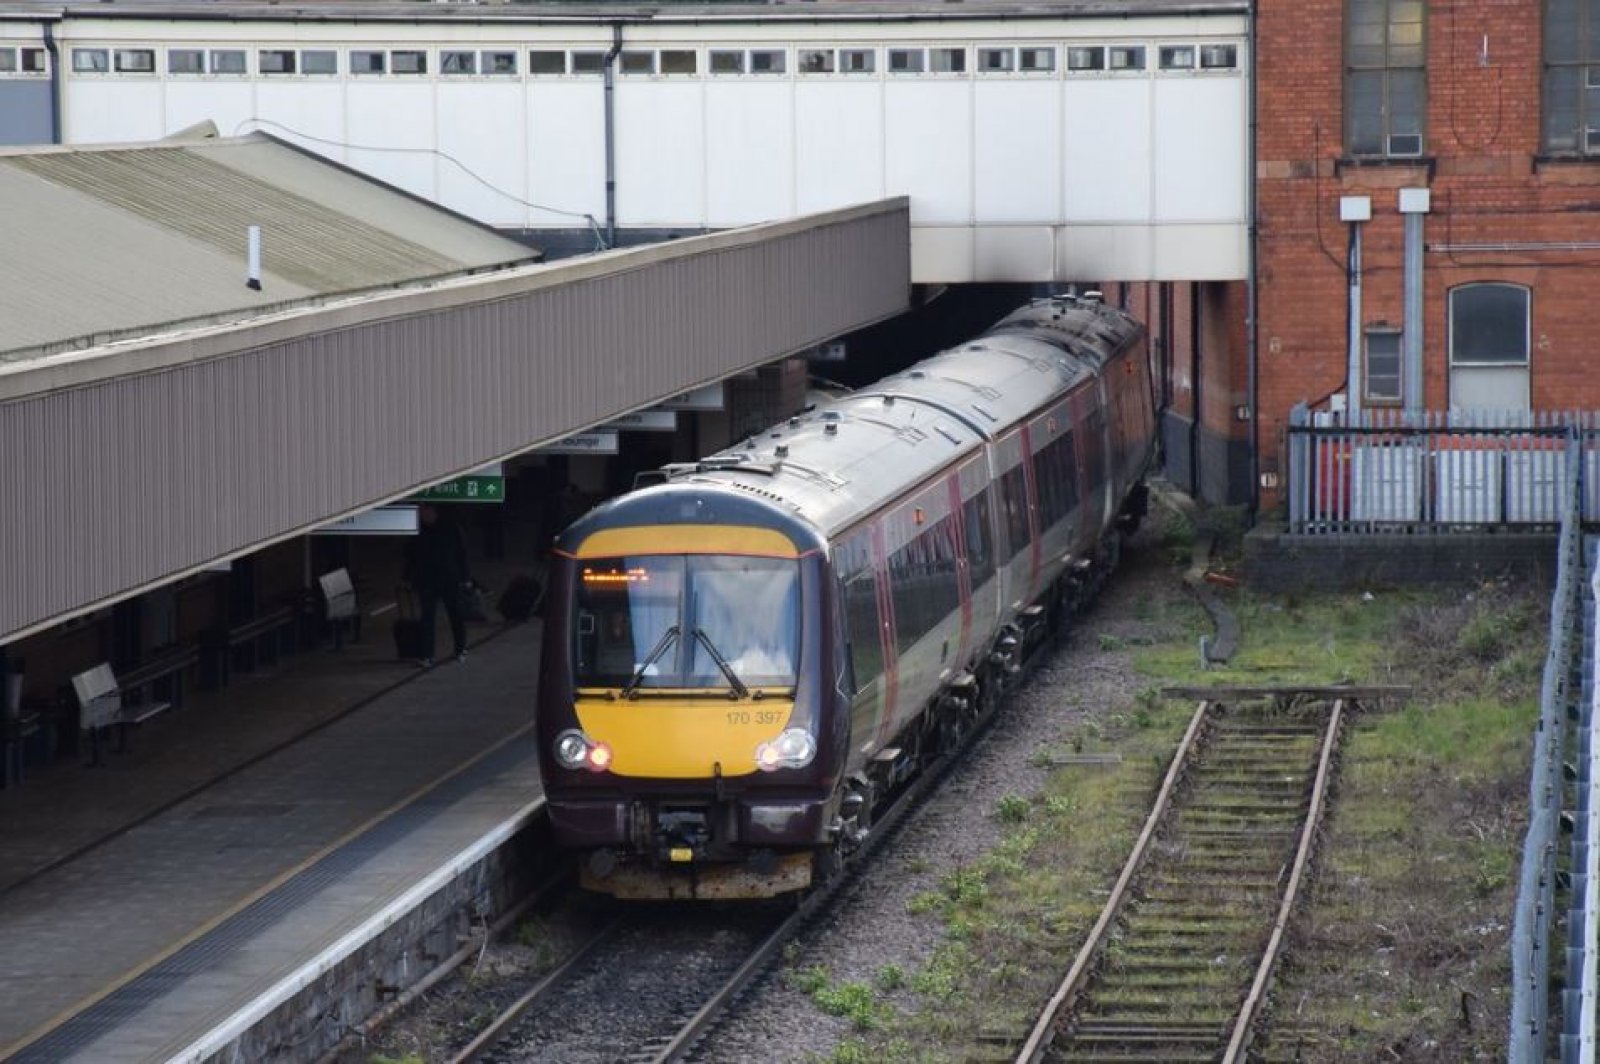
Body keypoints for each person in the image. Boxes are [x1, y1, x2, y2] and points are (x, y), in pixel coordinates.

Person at [407, 504, 470, 668]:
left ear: (433, 511)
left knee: (455, 615)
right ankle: (427, 654)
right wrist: (409, 578)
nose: (422, 515)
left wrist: (465, 577)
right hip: (427, 580)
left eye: (424, 511)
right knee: (427, 618)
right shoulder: (418, 532)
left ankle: (460, 648)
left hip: (449, 579)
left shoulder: (450, 528)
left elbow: (461, 554)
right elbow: (412, 556)